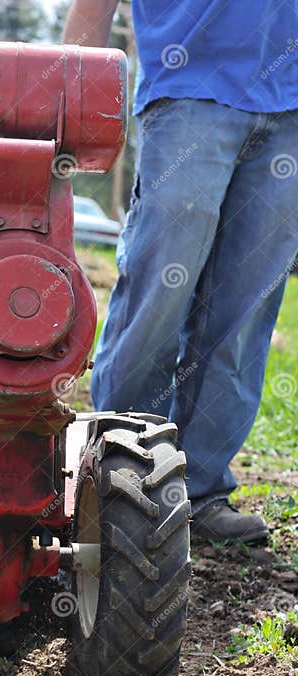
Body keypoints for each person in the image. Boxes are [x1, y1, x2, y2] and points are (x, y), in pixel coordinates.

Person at [63, 0, 298, 542]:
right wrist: (70, 91)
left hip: (290, 109)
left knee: (245, 310)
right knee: (159, 295)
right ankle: (119, 473)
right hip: (190, 88)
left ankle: (198, 488)